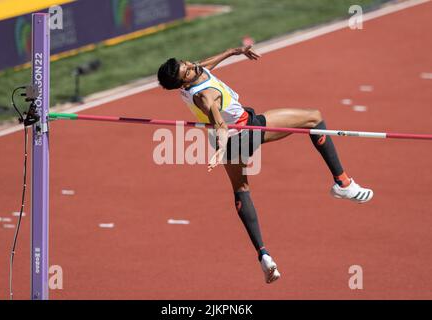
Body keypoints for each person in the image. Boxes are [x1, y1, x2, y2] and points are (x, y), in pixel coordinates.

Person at [157, 45, 373, 284]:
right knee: (314, 117)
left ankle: (264, 255)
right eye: (185, 70)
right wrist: (219, 148)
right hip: (246, 130)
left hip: (232, 143)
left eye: (185, 63)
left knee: (241, 189)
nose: (190, 66)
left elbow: (204, 67)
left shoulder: (190, 80)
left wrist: (232, 52)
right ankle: (343, 183)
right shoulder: (205, 96)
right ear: (183, 82)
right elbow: (218, 120)